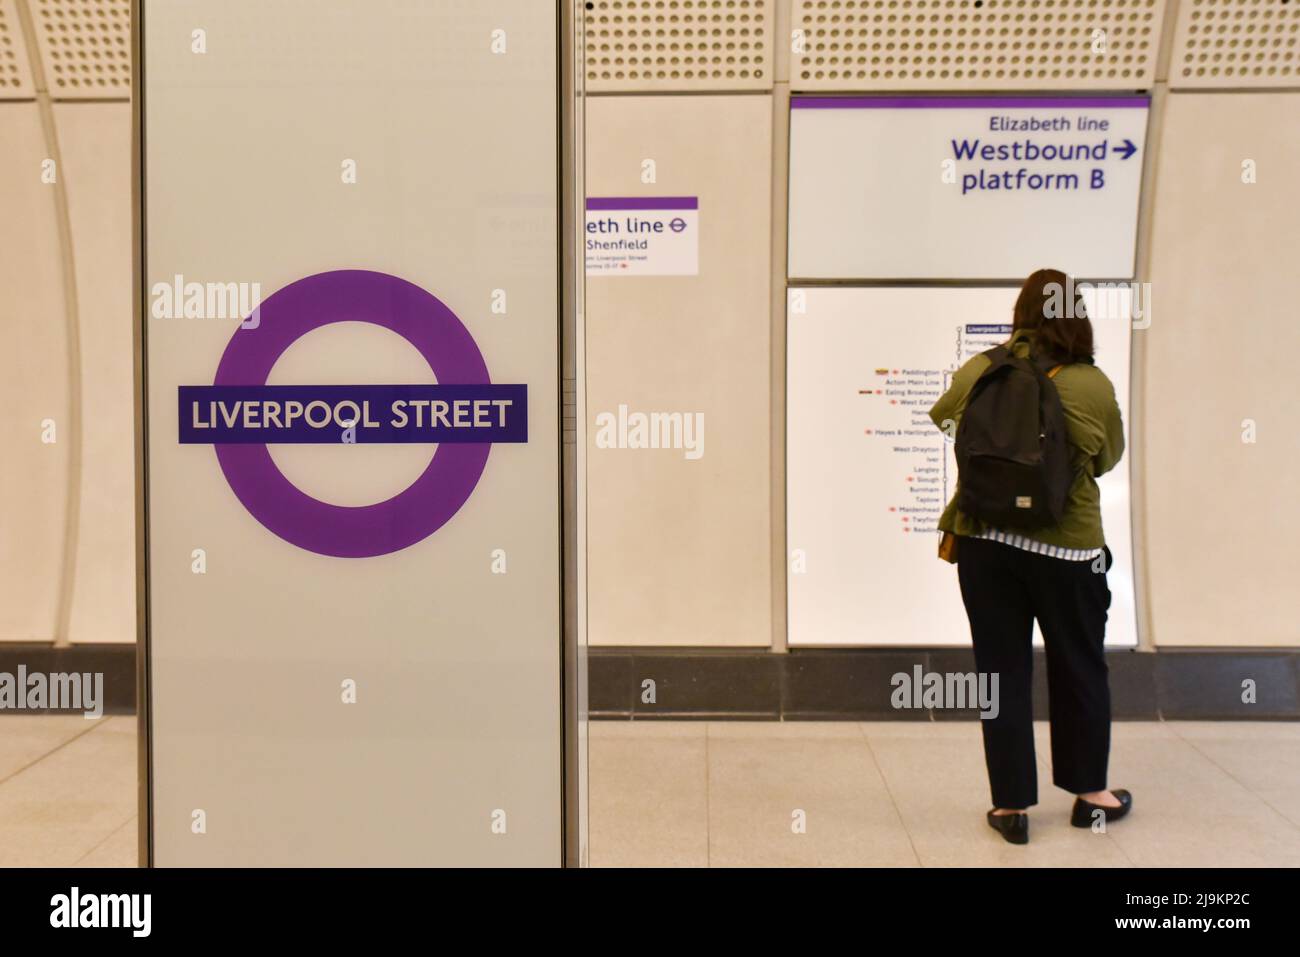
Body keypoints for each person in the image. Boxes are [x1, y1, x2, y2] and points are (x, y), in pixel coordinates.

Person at [929, 268, 1132, 845]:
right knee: (1079, 666)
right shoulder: (1090, 384)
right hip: (1068, 551)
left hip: (985, 544)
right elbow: (1108, 457)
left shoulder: (984, 367)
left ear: (1020, 312)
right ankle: (1091, 795)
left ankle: (1010, 807)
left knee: (1001, 673)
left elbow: (944, 419)